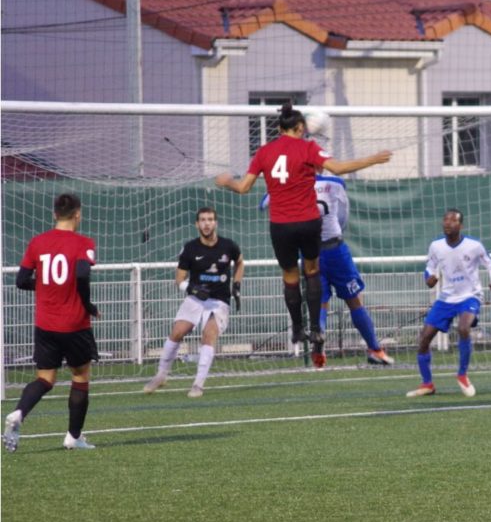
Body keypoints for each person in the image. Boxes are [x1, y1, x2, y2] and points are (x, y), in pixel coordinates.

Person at [216, 103, 391, 364]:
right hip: (312, 226)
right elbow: (338, 169)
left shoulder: (264, 151)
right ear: (300, 128)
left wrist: (227, 180)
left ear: (278, 128)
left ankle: (297, 328)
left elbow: (243, 187)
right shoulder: (310, 149)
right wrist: (373, 159)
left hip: (281, 226)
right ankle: (321, 332)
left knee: (290, 277)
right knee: (313, 274)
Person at [261, 173, 393, 369]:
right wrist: (334, 229)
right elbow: (343, 215)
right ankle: (374, 349)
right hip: (335, 250)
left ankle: (319, 349)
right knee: (354, 301)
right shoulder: (334, 183)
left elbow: (264, 203)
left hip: (310, 253)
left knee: (320, 303)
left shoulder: (290, 184)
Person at [4, 193, 99, 451]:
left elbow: (22, 280)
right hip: (74, 324)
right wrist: (89, 306)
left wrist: (45, 285)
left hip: (45, 325)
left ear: (54, 214)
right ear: (78, 214)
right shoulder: (83, 242)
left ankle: (19, 413)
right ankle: (73, 437)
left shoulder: (37, 242)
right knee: (80, 376)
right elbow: (81, 274)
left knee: (45, 378)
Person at [143, 207, 244, 398]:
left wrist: (236, 285)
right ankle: (161, 375)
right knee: (178, 331)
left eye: (210, 219)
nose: (207, 223)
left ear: (216, 223)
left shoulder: (228, 246)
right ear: (197, 224)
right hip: (196, 299)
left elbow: (240, 262)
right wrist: (194, 289)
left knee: (209, 335)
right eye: (203, 220)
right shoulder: (190, 248)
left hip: (219, 301)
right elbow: (179, 279)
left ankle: (198, 384)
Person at [406, 209, 491, 398]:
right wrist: (429, 278)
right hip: (446, 298)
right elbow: (429, 268)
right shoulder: (436, 246)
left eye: (452, 220)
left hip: (470, 296)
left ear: (461, 225)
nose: (447, 223)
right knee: (424, 338)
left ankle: (462, 375)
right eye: (445, 220)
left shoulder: (473, 246)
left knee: (464, 328)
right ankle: (427, 384)